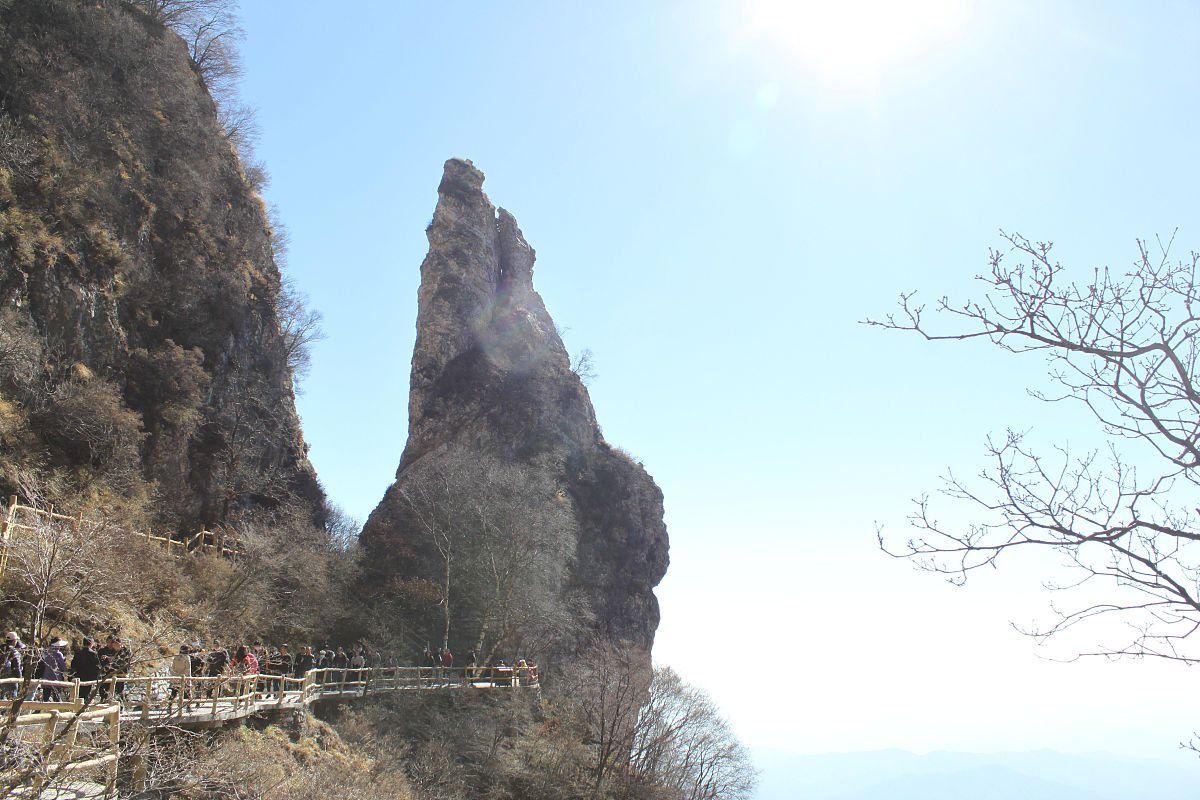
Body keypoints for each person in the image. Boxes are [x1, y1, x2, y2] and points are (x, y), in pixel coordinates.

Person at [169, 645, 193, 711]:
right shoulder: (187, 658)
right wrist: (188, 680)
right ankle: (188, 707)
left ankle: (169, 706)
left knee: (174, 693)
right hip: (183, 678)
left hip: (176, 678)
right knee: (187, 693)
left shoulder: (176, 658)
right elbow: (188, 670)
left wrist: (173, 678)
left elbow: (172, 668)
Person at [1, 632, 23, 699]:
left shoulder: (1, 648)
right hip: (10, 678)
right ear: (14, 641)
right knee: (11, 699)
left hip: (1, 676)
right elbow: (16, 666)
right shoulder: (13, 651)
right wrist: (19, 680)